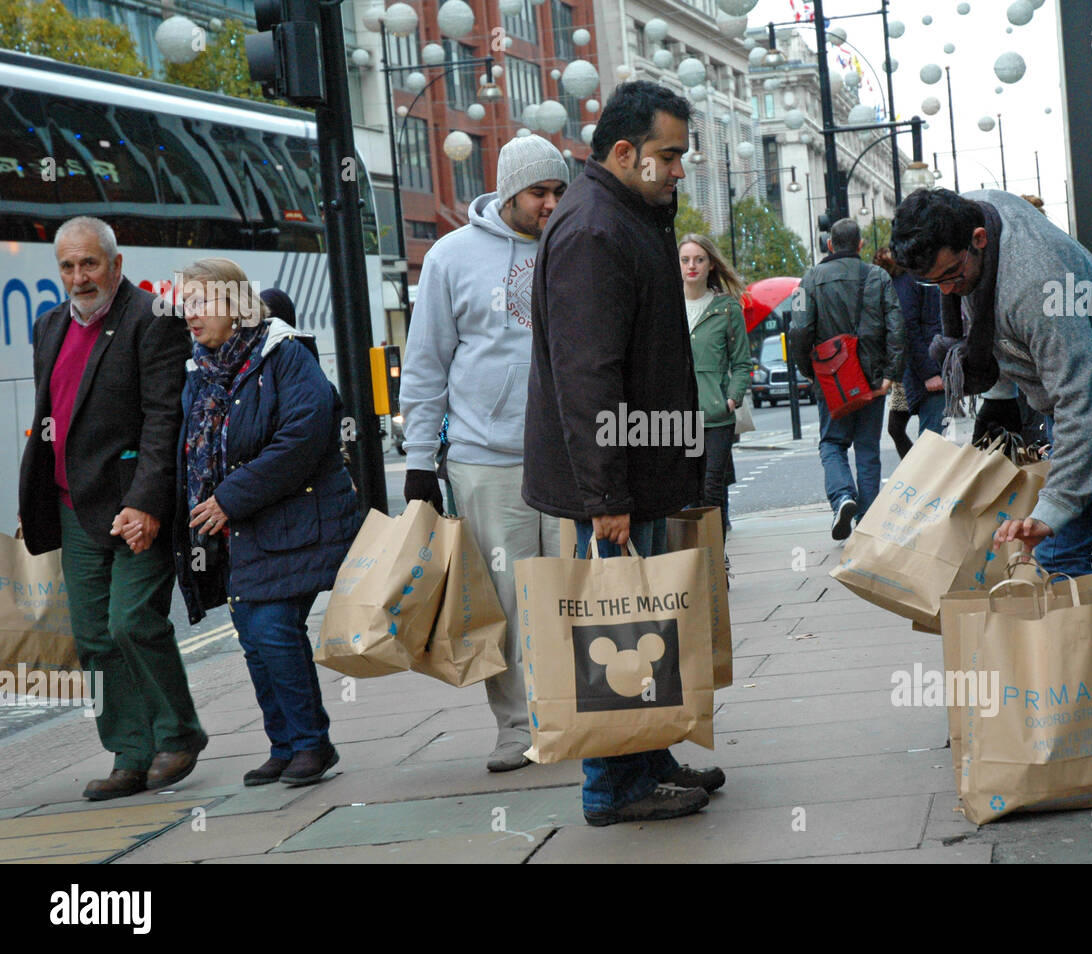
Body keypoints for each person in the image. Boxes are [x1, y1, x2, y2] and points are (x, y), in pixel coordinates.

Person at [524, 80, 725, 826]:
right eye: (668, 156)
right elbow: (588, 375)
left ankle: (649, 754)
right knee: (616, 625)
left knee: (640, 617)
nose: (678, 170)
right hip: (615, 475)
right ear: (621, 151)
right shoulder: (593, 232)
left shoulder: (626, 214)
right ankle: (614, 785)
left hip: (642, 463)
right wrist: (605, 495)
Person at [18, 216, 206, 801]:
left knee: (133, 621)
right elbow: (54, 421)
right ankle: (130, 755)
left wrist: (147, 503)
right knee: (93, 637)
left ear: (116, 264)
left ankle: (179, 733)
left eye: (90, 263)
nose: (79, 277)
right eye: (68, 266)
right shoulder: (49, 325)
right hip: (74, 507)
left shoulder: (151, 321)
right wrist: (37, 499)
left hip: (133, 506)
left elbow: (163, 420)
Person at [400, 135, 570, 773]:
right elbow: (424, 367)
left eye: (559, 191)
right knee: (505, 598)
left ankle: (577, 715)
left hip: (572, 454)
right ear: (508, 194)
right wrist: (420, 463)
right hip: (487, 457)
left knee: (573, 591)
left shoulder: (576, 244)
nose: (551, 204)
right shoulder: (451, 258)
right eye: (538, 193)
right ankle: (517, 729)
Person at [890, 188, 1092, 590]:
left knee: (1057, 552)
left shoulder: (1034, 285)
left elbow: (1079, 395)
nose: (945, 292)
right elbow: (996, 325)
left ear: (978, 238)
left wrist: (1054, 507)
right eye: (931, 283)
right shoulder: (978, 209)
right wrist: (999, 397)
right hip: (1088, 391)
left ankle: (1065, 653)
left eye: (951, 275)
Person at [172, 258, 361, 786]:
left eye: (200, 302)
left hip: (297, 519)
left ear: (236, 305)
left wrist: (230, 497)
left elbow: (303, 435)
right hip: (244, 533)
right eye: (184, 304)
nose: (190, 315)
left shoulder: (284, 355)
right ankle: (284, 744)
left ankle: (310, 744)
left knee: (274, 630)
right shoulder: (201, 371)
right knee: (254, 637)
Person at [789, 219, 904, 541]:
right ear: (860, 245)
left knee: (832, 442)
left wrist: (808, 370)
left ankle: (842, 497)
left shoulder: (808, 280)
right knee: (867, 447)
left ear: (829, 244)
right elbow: (897, 326)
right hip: (870, 377)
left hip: (830, 376)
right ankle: (867, 521)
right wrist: (890, 374)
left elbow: (798, 329)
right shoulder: (878, 276)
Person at [678, 232, 750, 540]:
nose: (691, 266)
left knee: (711, 488)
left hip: (717, 416)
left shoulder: (726, 309)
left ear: (710, 265)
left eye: (699, 259)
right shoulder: (667, 306)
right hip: (678, 417)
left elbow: (742, 363)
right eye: (685, 260)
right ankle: (697, 564)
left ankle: (716, 563)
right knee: (687, 493)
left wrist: (731, 398)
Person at [875, 247, 944, 458]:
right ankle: (914, 474)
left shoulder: (906, 282)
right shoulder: (912, 279)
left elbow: (909, 329)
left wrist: (928, 372)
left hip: (916, 368)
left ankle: (917, 476)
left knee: (927, 437)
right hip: (911, 369)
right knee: (902, 429)